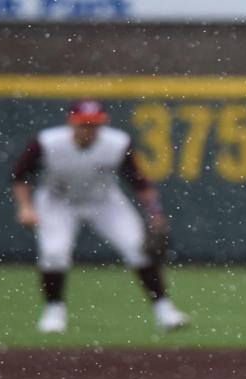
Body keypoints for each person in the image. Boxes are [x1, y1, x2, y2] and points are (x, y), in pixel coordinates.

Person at [10, 99, 190, 334]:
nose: (89, 129)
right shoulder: (48, 142)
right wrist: (26, 207)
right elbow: (20, 176)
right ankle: (54, 312)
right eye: (84, 124)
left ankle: (165, 311)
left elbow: (140, 183)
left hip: (104, 201)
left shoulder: (117, 143)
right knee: (54, 253)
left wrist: (155, 214)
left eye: (94, 124)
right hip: (58, 202)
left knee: (137, 248)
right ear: (71, 122)